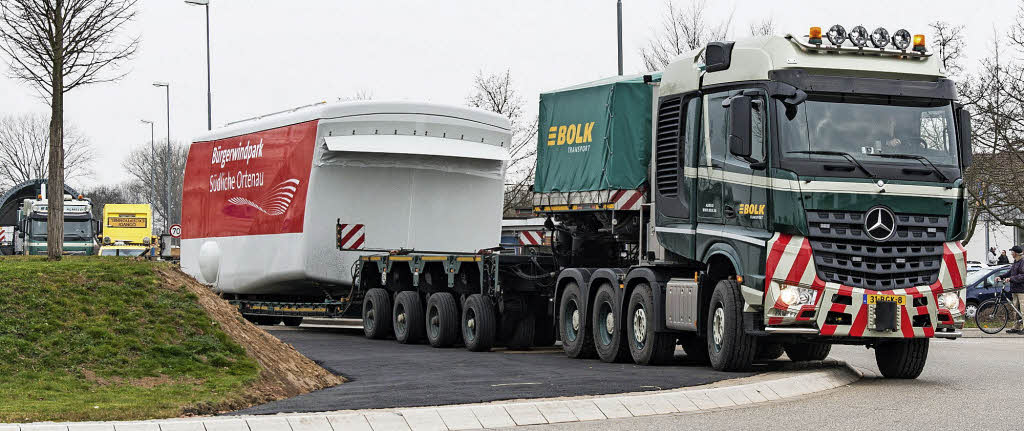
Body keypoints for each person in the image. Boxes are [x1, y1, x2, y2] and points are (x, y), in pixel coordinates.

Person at [995, 245, 1024, 334]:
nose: (1011, 254)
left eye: (1012, 252)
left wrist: (1011, 279)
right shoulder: (1015, 262)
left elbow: (1022, 276)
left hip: (1022, 290)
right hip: (1015, 289)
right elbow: (1010, 272)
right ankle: (1016, 327)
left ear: (1016, 253)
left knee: (1023, 309)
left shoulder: (1023, 262)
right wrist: (1000, 276)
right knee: (1016, 309)